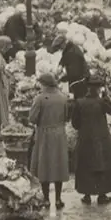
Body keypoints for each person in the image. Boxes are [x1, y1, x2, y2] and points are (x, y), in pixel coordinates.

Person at [71, 79, 111, 205]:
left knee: (85, 166)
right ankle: (102, 195)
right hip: (101, 139)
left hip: (85, 139)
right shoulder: (102, 102)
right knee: (101, 165)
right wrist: (107, 97)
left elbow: (75, 123)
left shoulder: (79, 102)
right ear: (99, 89)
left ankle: (86, 195)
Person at [29, 72, 70, 209]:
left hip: (44, 134)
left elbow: (32, 118)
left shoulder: (40, 99)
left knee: (44, 165)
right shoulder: (63, 98)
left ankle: (46, 199)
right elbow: (66, 116)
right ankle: (58, 199)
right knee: (59, 165)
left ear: (44, 84)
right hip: (59, 134)